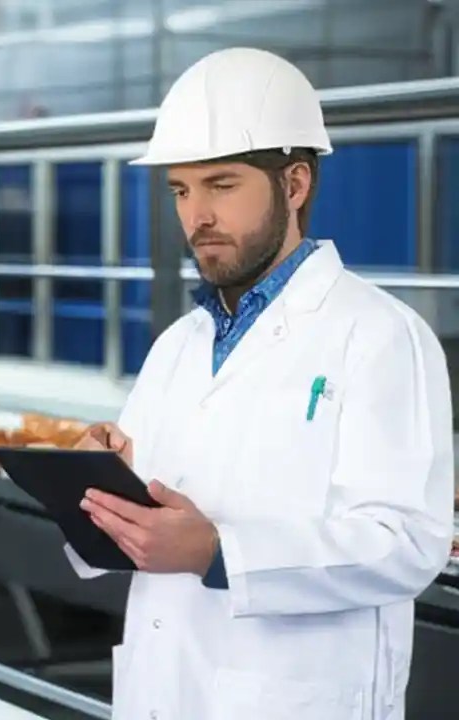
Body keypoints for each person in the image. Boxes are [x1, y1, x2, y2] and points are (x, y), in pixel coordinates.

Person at [70, 47, 454, 720]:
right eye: (181, 191)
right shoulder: (177, 346)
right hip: (164, 691)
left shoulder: (379, 335)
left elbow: (407, 543)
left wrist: (220, 555)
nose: (197, 217)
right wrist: (95, 500)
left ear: (296, 183)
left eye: (221, 185)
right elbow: (147, 533)